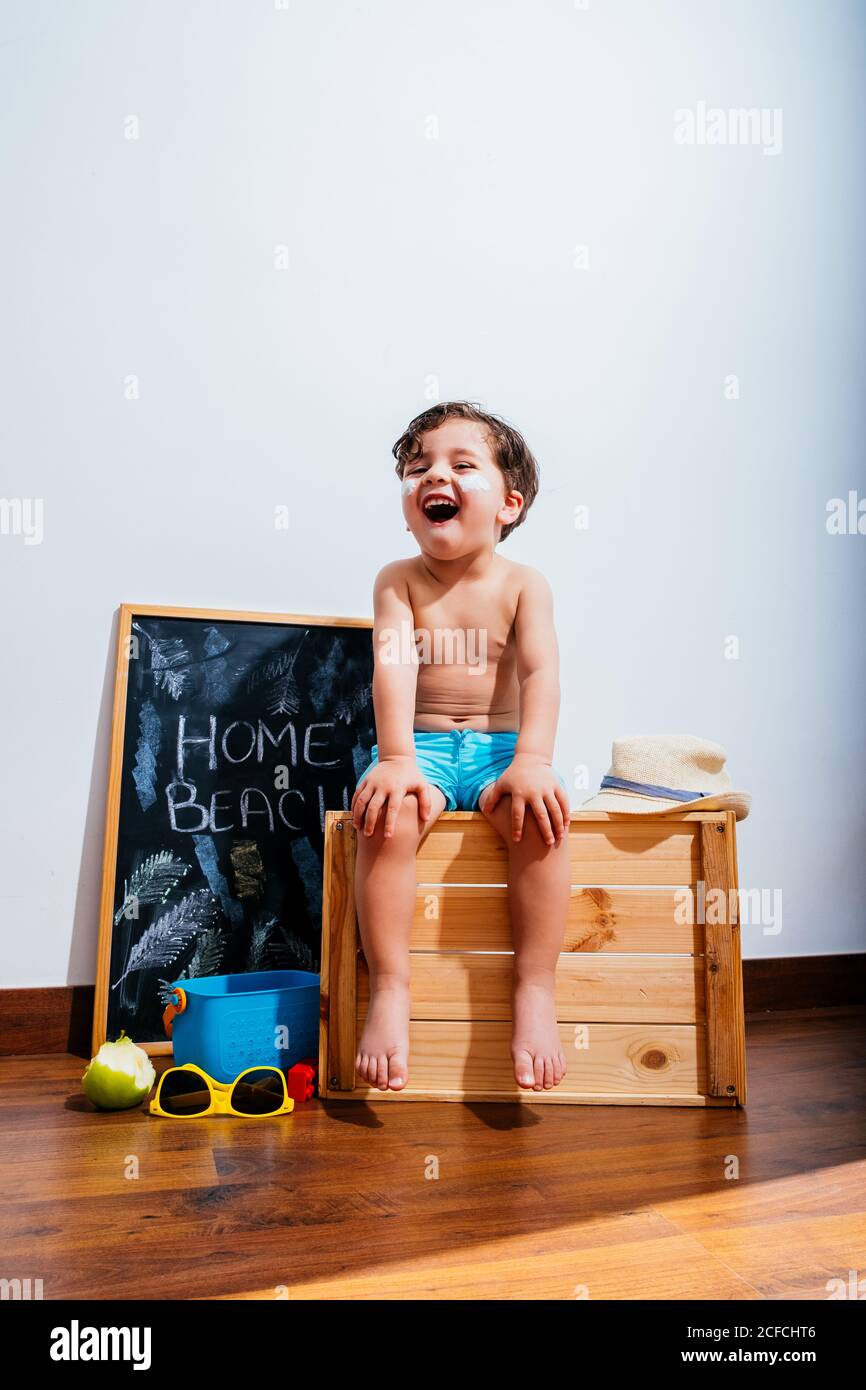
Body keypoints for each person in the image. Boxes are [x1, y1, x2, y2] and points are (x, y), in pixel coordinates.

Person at [351, 401, 571, 1092]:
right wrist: (396, 759)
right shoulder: (398, 580)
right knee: (387, 820)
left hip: (504, 748)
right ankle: (390, 986)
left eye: (460, 464)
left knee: (540, 821)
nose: (433, 475)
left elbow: (541, 672)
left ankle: (534, 987)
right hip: (418, 746)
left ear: (509, 503)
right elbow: (393, 665)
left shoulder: (523, 584)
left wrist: (532, 762)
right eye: (418, 468)